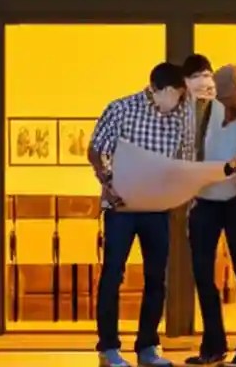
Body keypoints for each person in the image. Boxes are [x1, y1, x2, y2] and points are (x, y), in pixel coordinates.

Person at [87, 62, 196, 367]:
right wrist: (108, 182)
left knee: (156, 277)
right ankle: (108, 348)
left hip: (157, 208)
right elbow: (95, 150)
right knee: (113, 274)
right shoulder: (121, 109)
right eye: (179, 94)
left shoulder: (181, 117)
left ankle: (147, 346)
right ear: (164, 90)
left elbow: (184, 160)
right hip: (121, 206)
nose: (181, 100)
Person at [186, 64, 236, 367]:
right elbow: (197, 155)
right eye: (219, 97)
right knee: (202, 273)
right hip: (204, 202)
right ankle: (213, 346)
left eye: (228, 97)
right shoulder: (208, 112)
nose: (223, 102)